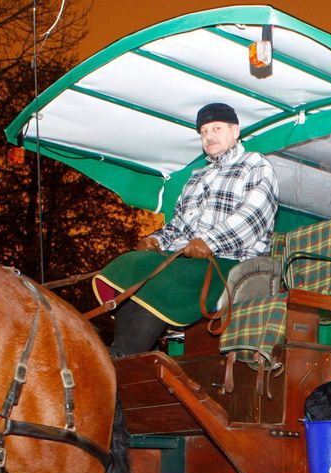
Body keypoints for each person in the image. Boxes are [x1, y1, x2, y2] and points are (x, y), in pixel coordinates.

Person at [92, 102, 279, 357]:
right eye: (203, 132)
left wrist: (209, 242)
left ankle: (124, 355)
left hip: (231, 259)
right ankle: (125, 353)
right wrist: (156, 240)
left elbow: (253, 218)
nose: (209, 136)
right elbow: (178, 224)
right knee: (134, 263)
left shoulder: (255, 165)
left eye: (216, 128)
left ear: (235, 131)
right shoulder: (196, 177)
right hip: (189, 257)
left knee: (165, 278)